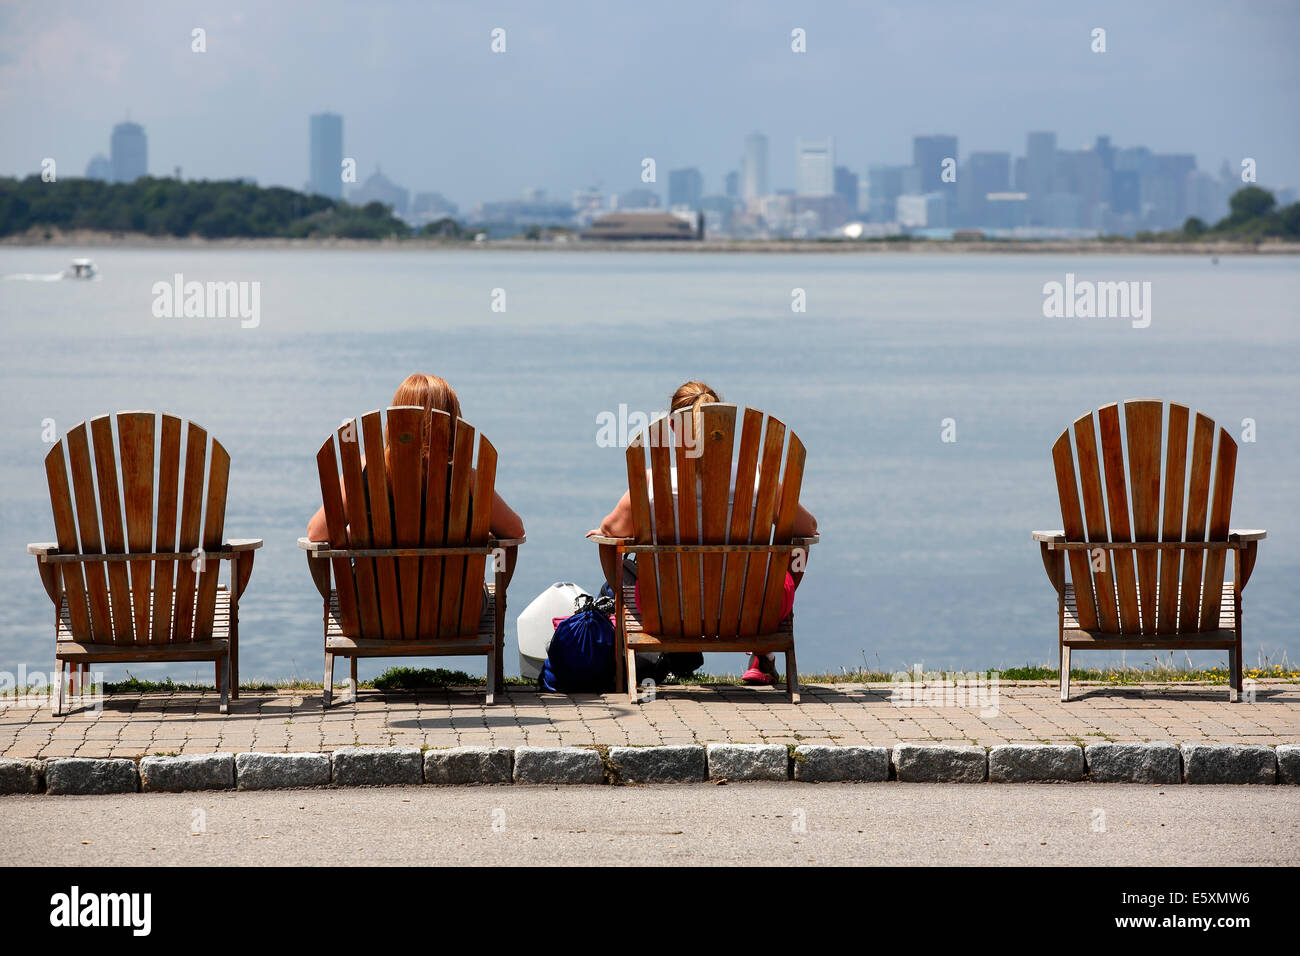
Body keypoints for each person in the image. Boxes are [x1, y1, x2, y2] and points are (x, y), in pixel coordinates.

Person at [588, 381, 817, 685]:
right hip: (755, 609)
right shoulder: (763, 483)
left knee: (622, 560)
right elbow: (808, 530)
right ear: (723, 428)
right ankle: (763, 654)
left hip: (666, 610)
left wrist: (620, 592)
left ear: (672, 426)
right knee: (796, 549)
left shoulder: (650, 488)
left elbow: (606, 537)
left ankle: (632, 667)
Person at [306, 373, 525, 542]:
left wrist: (358, 532)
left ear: (396, 419)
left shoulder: (362, 470)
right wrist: (475, 530)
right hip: (453, 601)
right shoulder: (467, 481)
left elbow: (316, 534)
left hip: (373, 600)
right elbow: (515, 531)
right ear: (452, 424)